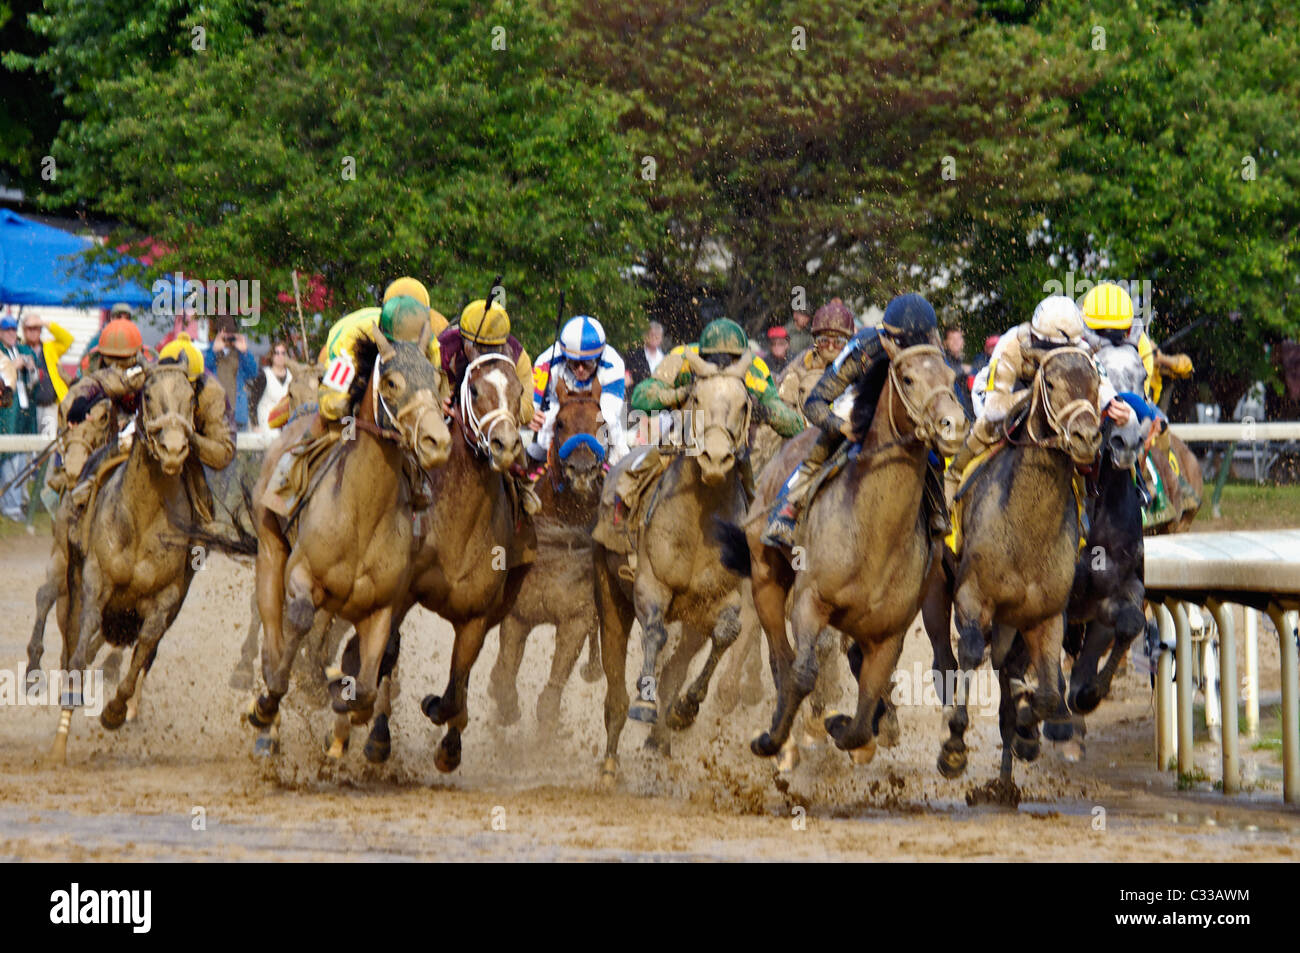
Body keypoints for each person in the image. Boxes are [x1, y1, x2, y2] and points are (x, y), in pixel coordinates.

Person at [762, 294, 947, 550]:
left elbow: (952, 402)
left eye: (919, 341)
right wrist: (839, 425)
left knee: (938, 449)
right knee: (835, 427)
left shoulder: (932, 349)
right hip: (865, 402)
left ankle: (939, 509)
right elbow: (816, 400)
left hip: (913, 410)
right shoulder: (864, 346)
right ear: (888, 337)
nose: (911, 349)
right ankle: (791, 505)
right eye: (903, 343)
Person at [945, 294, 1132, 506]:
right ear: (1034, 338)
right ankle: (954, 475)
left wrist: (1118, 407)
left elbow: (1105, 388)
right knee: (988, 427)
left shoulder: (1080, 346)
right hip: (1005, 393)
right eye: (1048, 349)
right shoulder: (1011, 344)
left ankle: (1081, 505)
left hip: (1048, 396)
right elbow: (993, 406)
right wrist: (1033, 395)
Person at [631, 316, 804, 457]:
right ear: (703, 353)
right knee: (634, 479)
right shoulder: (681, 358)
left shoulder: (755, 369)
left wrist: (763, 411)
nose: (723, 362)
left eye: (731, 357)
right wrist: (682, 393)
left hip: (733, 449)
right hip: (680, 441)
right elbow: (640, 398)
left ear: (741, 356)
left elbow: (795, 426)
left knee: (756, 494)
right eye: (715, 357)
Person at [529, 314, 628, 466]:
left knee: (614, 432)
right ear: (564, 356)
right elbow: (534, 406)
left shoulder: (614, 364)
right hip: (558, 420)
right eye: (574, 363)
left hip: (599, 423)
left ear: (599, 356)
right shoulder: (544, 363)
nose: (580, 370)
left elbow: (608, 416)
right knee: (545, 424)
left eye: (588, 363)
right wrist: (533, 416)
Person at [437, 298, 538, 427]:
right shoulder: (442, 350)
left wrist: (495, 407)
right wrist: (437, 404)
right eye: (479, 347)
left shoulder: (518, 356)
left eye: (494, 347)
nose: (487, 353)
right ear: (462, 338)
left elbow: (528, 411)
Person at [777, 297, 856, 414]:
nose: (830, 347)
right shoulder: (797, 372)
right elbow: (781, 414)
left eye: (838, 341)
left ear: (848, 342)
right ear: (815, 341)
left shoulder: (858, 374)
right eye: (824, 340)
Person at [0, 315, 38, 522]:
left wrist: (31, 367)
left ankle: (15, 503)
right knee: (9, 460)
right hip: (6, 414)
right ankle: (11, 507)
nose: (11, 333)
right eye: (7, 330)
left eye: (14, 329)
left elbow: (35, 381)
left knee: (21, 459)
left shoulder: (24, 350)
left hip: (24, 412)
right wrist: (12, 366)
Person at [22, 314, 73, 439]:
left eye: (37, 328)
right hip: (28, 409)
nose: (33, 332)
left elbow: (67, 339)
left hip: (49, 406)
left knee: (48, 442)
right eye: (30, 328)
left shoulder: (50, 347)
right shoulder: (19, 348)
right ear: (24, 331)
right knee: (28, 444)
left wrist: (45, 323)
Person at [205, 325, 258, 431]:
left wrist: (245, 352)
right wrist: (214, 351)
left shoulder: (241, 354)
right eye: (225, 334)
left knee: (240, 446)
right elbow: (204, 372)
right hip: (216, 415)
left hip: (238, 414)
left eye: (231, 334)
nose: (228, 338)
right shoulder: (210, 351)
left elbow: (253, 372)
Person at [249, 341, 295, 433]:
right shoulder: (263, 375)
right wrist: (255, 425)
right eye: (276, 353)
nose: (280, 356)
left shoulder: (292, 376)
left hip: (286, 426)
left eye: (283, 353)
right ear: (272, 356)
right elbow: (252, 402)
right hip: (265, 425)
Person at [623, 320, 666, 391]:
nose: (654, 338)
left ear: (661, 339)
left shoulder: (665, 358)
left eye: (657, 336)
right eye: (652, 335)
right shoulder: (634, 356)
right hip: (638, 397)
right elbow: (628, 377)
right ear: (645, 336)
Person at [942, 325, 974, 419]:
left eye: (959, 338)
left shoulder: (961, 362)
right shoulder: (943, 360)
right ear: (945, 343)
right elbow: (947, 372)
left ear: (963, 342)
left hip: (966, 415)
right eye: (952, 339)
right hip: (950, 416)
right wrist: (962, 370)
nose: (956, 342)